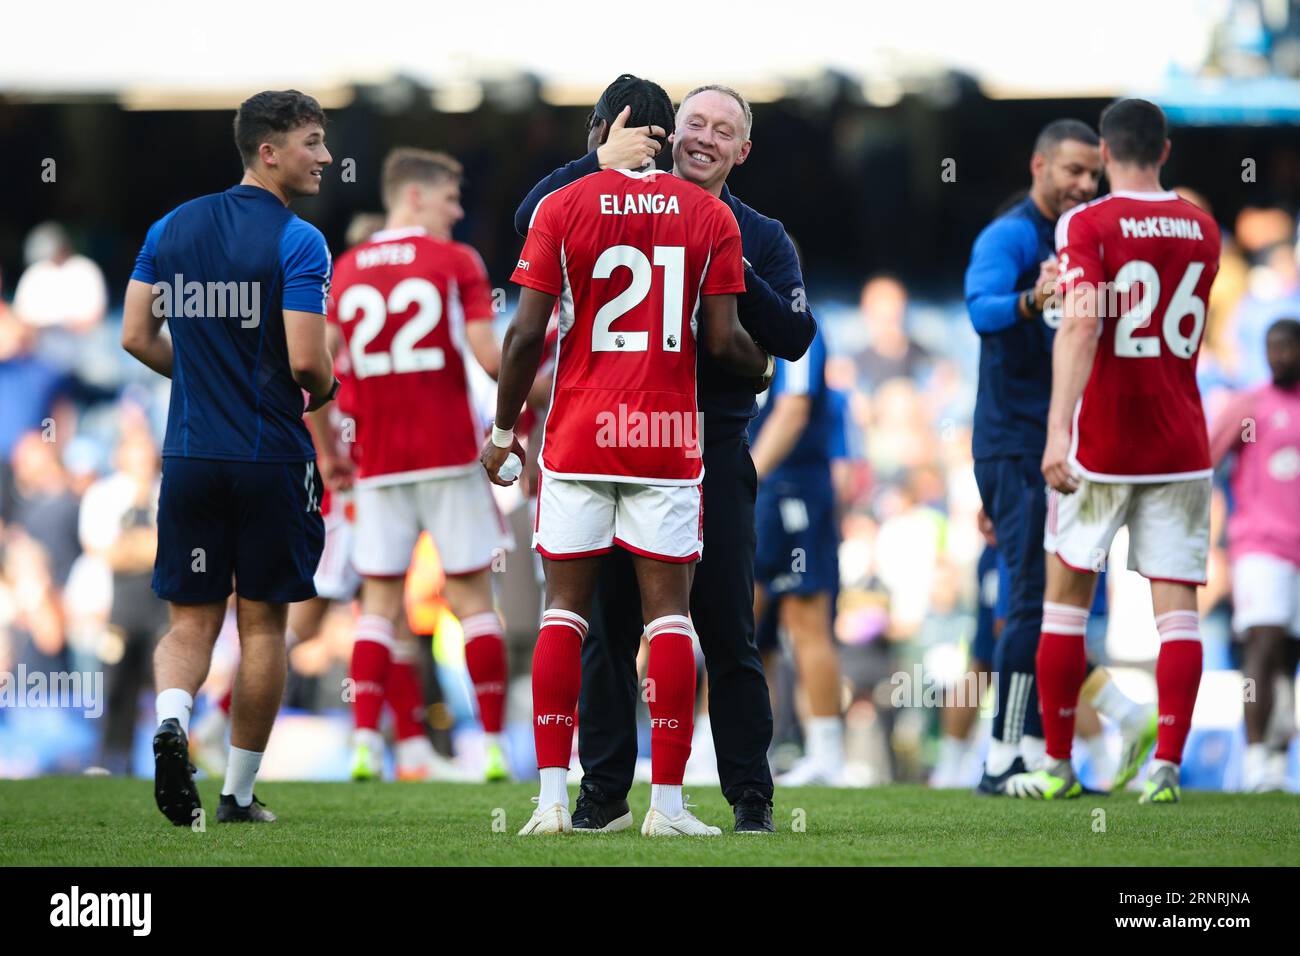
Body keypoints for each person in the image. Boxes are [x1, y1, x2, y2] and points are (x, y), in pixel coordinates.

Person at [515, 76, 816, 833]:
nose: (704, 137)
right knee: (608, 628)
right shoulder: (603, 197)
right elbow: (529, 219)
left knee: (725, 625)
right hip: (625, 441)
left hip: (708, 441)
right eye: (694, 123)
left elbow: (796, 334)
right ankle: (605, 794)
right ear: (667, 133)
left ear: (742, 149)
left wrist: (722, 248)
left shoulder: (759, 232)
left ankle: (750, 797)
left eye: (723, 129)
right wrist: (596, 163)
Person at [121, 89, 337, 825]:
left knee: (189, 622)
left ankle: (173, 720)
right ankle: (238, 795)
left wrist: (203, 378)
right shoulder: (299, 240)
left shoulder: (170, 227)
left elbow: (133, 336)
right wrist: (329, 385)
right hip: (269, 457)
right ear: (268, 151)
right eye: (313, 142)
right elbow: (309, 364)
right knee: (265, 626)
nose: (327, 157)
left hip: (188, 457)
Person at [1009, 98, 1222, 803]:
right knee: (1178, 612)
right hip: (1183, 442)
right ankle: (1165, 767)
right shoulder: (1202, 224)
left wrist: (1056, 431)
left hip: (1102, 444)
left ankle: (1061, 765)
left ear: (1103, 152)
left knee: (1065, 604)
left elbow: (1080, 328)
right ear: (1164, 150)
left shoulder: (1089, 222)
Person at [964, 119, 1154, 793]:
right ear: (1038, 165)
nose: (1082, 184)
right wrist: (1029, 298)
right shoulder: (1011, 235)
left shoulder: (1086, 236)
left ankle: (1058, 749)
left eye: (1090, 174)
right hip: (1015, 440)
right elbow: (980, 310)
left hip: (1057, 444)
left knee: (1055, 602)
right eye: (1071, 171)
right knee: (1030, 601)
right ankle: (1002, 757)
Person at [329, 148, 512, 783]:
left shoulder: (347, 269)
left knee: (378, 606)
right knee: (473, 601)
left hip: (375, 461)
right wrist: (546, 349)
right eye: (449, 198)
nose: (458, 212)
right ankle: (491, 746)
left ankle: (363, 744)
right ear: (413, 196)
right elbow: (491, 359)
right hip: (448, 454)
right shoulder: (456, 262)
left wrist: (331, 451)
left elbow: (317, 373)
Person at [750, 327, 846, 784]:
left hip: (791, 489)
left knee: (805, 620)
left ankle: (827, 753)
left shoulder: (798, 325)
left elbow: (793, 409)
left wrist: (744, 476)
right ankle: (727, 747)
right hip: (762, 488)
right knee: (740, 627)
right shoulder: (730, 317)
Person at [1209, 317, 1300, 791]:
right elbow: (1205, 457)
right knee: (1262, 643)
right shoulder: (1249, 407)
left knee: (1289, 655)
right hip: (1260, 546)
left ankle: (1276, 763)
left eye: (1288, 348)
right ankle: (1252, 758)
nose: (1280, 356)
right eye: (1273, 348)